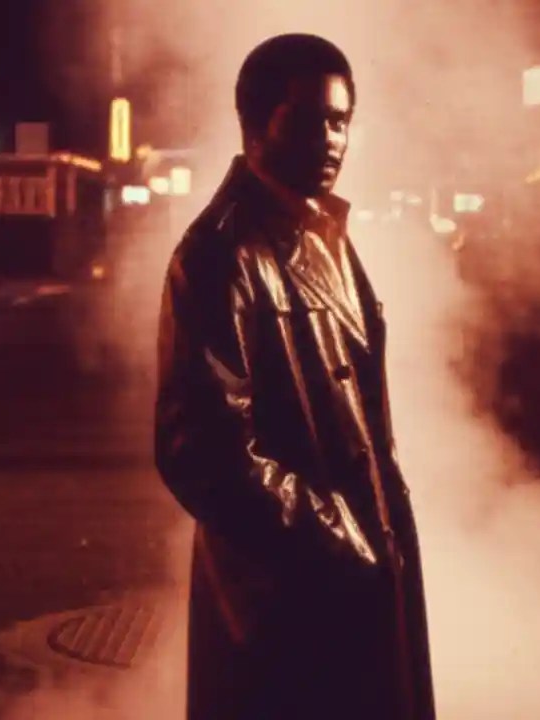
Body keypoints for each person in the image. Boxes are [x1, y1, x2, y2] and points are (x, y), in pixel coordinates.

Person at [154, 33, 436, 720]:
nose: (333, 139)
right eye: (311, 119)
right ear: (257, 121)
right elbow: (204, 456)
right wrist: (342, 541)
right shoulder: (221, 253)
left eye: (342, 120)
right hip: (287, 602)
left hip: (343, 586)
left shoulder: (325, 235)